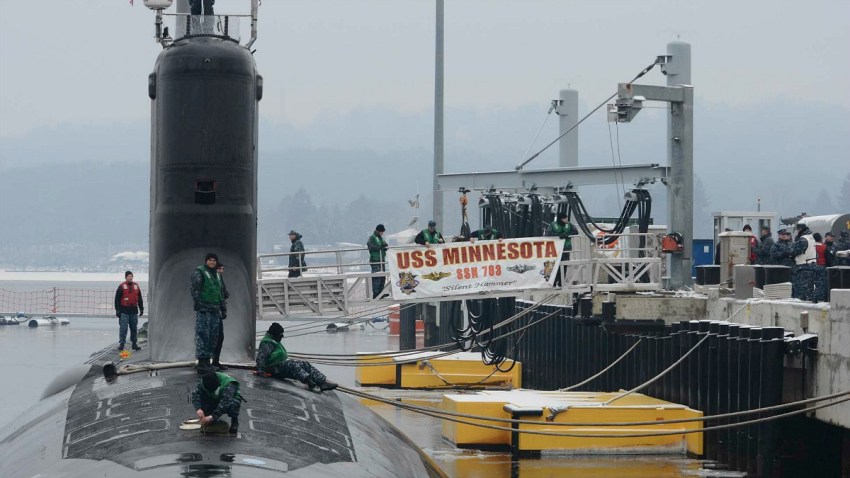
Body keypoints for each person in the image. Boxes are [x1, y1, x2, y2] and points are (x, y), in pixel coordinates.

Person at [255, 322, 338, 392]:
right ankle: (308, 381)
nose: (281, 337)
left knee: (304, 364)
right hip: (272, 369)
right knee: (291, 364)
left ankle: (322, 382)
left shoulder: (274, 340)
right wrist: (261, 372)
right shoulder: (267, 343)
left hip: (278, 367)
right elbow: (261, 358)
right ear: (275, 334)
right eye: (280, 335)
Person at [191, 252, 224, 371]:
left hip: (215, 310)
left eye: (214, 260)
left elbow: (220, 292)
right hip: (204, 310)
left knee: (213, 336)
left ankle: (208, 361)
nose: (212, 262)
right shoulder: (200, 272)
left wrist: (222, 308)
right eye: (210, 260)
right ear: (206, 261)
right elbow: (195, 290)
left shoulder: (217, 275)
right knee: (203, 335)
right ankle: (202, 362)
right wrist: (199, 304)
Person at [192, 370, 241, 435]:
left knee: (233, 404)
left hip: (229, 399)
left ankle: (234, 420)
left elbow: (225, 403)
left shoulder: (229, 384)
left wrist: (212, 417)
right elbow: (195, 395)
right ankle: (210, 418)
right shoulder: (203, 381)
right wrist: (198, 409)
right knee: (203, 398)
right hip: (214, 397)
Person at [114, 271, 143, 352]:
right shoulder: (121, 286)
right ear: (126, 277)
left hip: (133, 310)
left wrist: (141, 308)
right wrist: (117, 310)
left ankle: (134, 344)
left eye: (131, 276)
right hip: (124, 310)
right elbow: (117, 299)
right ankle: (122, 344)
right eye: (129, 276)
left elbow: (140, 298)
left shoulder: (136, 286)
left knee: (134, 328)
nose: (130, 277)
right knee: (123, 328)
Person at [211, 262, 229, 370]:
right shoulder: (212, 280)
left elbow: (222, 296)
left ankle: (215, 361)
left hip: (217, 313)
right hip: (210, 313)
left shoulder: (219, 280)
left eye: (222, 269)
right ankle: (206, 362)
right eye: (219, 269)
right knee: (211, 338)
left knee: (220, 338)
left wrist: (223, 310)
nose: (222, 271)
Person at [792, 223, 817, 301]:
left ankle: (804, 303)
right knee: (810, 286)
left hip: (803, 265)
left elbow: (795, 251)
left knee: (802, 288)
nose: (797, 231)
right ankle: (810, 301)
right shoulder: (811, 237)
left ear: (800, 229)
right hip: (812, 263)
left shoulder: (803, 239)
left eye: (797, 230)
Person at [367, 224, 389, 299]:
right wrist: (379, 247)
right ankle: (376, 293)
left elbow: (385, 245)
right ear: (378, 231)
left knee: (382, 277)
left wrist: (385, 246)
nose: (382, 233)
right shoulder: (372, 238)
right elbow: (370, 246)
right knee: (377, 277)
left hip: (381, 260)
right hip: (375, 260)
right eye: (382, 232)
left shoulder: (381, 238)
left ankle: (381, 292)